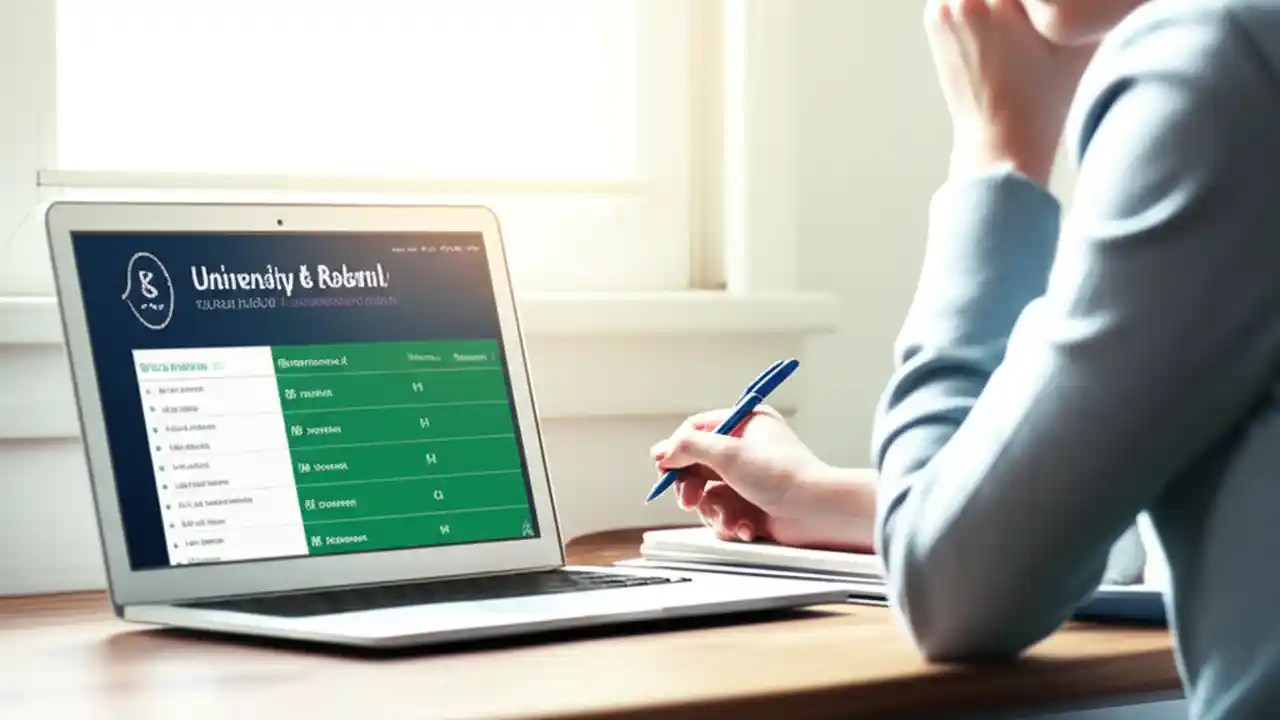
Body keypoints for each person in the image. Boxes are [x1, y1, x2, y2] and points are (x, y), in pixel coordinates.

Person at [650, 0, 1280, 715]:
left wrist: (998, 156)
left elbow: (955, 595)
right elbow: (1124, 509)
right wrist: (813, 498)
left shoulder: (1223, 61)